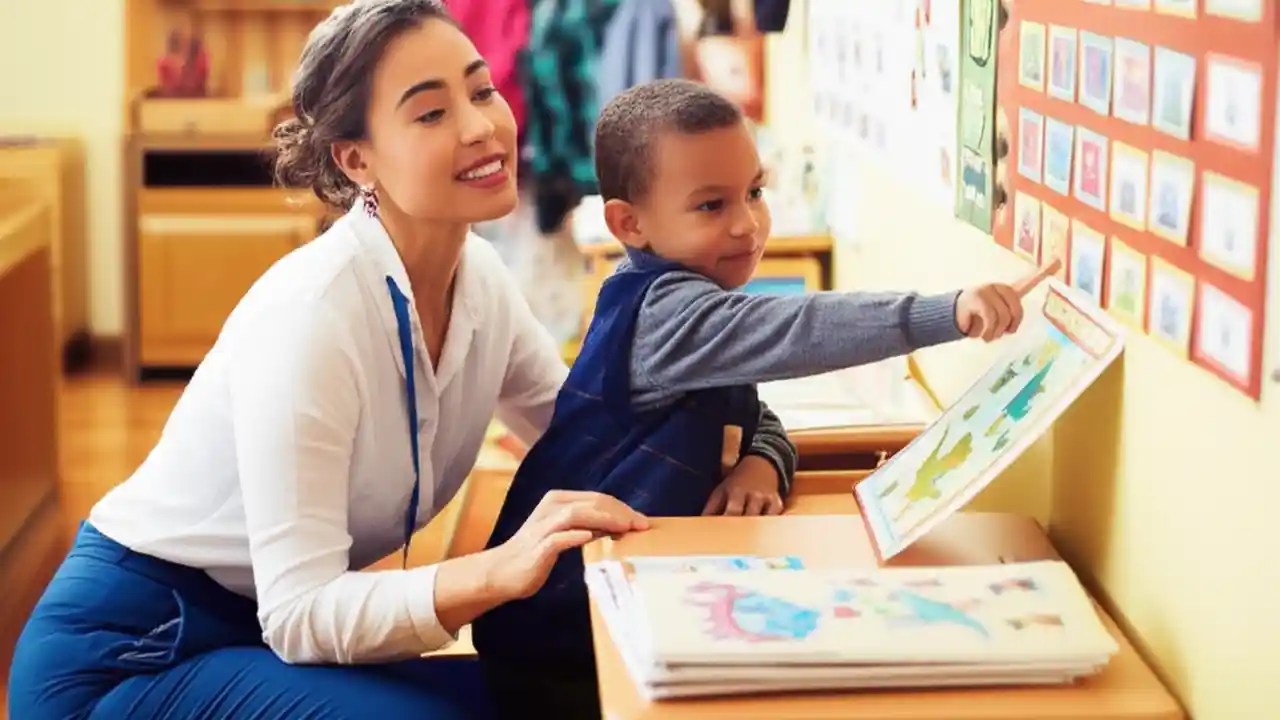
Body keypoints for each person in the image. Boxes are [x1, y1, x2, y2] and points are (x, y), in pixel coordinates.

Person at [6, 3, 795, 718]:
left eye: (482, 92)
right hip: (133, 653)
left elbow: (602, 434)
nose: (483, 126)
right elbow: (301, 613)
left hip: (260, 641)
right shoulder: (314, 317)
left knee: (560, 697)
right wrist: (500, 569)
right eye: (430, 112)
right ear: (356, 161)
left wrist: (762, 450)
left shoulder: (478, 280)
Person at [473, 78, 1058, 715]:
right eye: (710, 206)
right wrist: (946, 312)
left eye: (754, 192)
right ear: (629, 223)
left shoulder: (698, 311)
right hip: (558, 639)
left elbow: (757, 415)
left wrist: (764, 461)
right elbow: (798, 330)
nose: (747, 224)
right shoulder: (663, 316)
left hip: (630, 600)